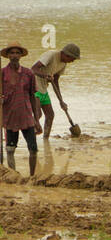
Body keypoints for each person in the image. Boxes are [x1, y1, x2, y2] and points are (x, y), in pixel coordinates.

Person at [1, 43, 41, 176]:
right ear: (7, 56)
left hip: (26, 116)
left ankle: (32, 176)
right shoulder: (2, 73)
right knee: (10, 149)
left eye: (17, 53)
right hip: (10, 116)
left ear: (20, 55)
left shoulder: (28, 73)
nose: (14, 55)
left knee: (33, 149)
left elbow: (32, 96)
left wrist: (37, 119)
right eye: (11, 53)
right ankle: (13, 175)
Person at [30, 42, 78, 142]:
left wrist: (61, 101)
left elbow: (55, 81)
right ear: (66, 54)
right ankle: (31, 138)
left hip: (43, 88)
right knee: (37, 114)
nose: (72, 61)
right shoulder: (51, 55)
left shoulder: (63, 64)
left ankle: (45, 140)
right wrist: (45, 76)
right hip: (33, 86)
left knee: (50, 115)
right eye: (72, 58)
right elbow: (33, 69)